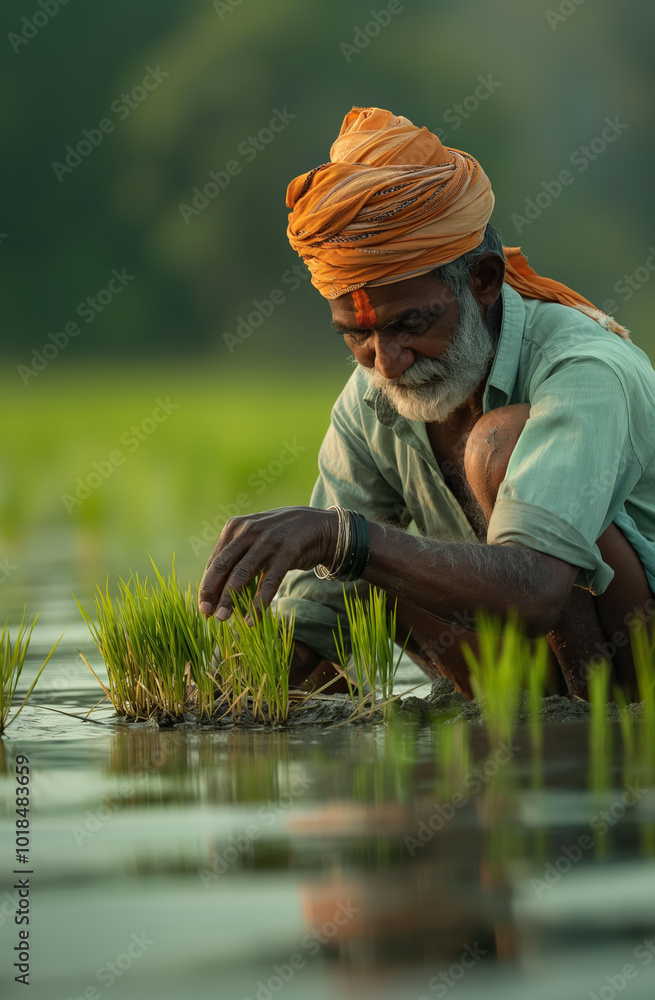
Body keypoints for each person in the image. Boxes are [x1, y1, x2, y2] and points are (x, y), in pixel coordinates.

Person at [199, 107, 655, 701]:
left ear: (484, 282)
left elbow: (537, 589)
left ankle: (594, 730)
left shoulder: (582, 369)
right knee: (364, 581)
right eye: (356, 335)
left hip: (636, 659)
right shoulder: (373, 401)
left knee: (494, 450)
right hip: (516, 671)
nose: (385, 363)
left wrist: (343, 538)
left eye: (411, 322)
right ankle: (534, 732)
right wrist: (210, 692)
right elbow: (316, 621)